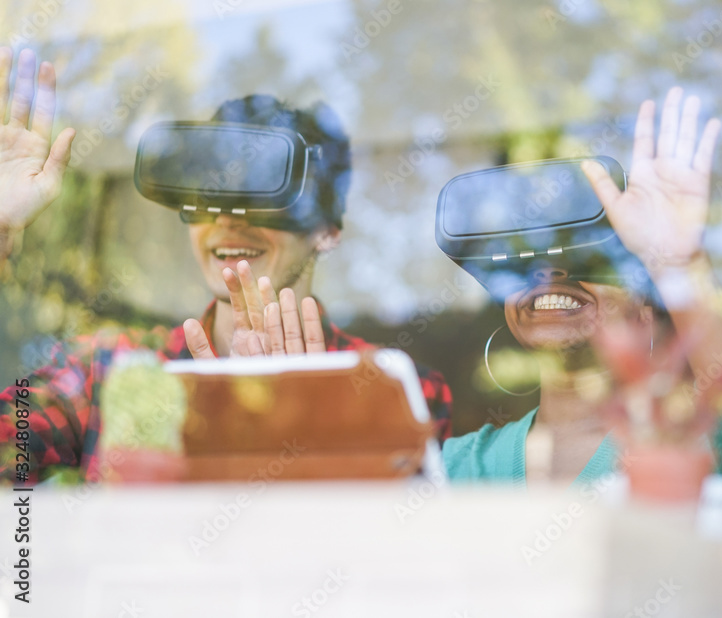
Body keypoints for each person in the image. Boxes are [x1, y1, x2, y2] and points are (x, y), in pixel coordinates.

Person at [0, 48, 452, 484]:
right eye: (209, 191)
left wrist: (311, 428)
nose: (226, 219)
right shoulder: (104, 370)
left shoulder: (393, 390)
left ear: (328, 229)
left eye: (263, 191)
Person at [439, 88, 722, 490]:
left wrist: (677, 263)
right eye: (524, 258)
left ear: (643, 310)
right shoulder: (453, 469)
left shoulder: (688, 450)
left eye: (589, 256)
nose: (550, 272)